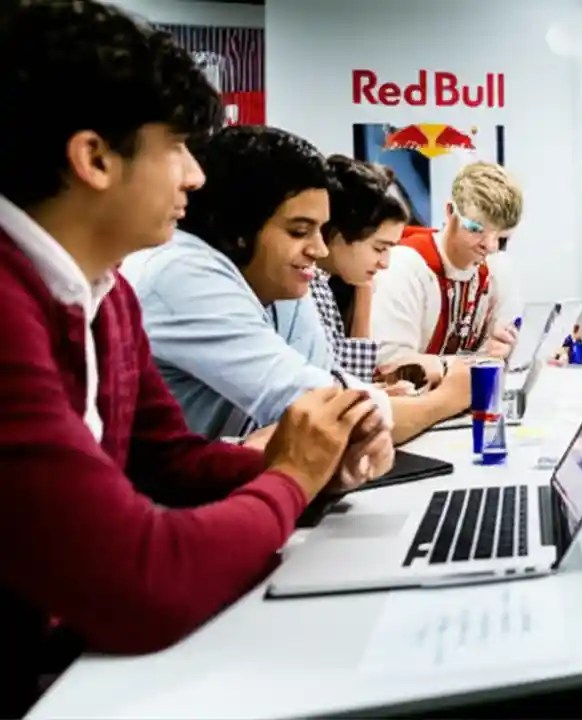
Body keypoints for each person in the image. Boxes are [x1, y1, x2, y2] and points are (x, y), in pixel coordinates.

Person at [0, 2, 384, 713]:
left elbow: (167, 463)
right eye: (177, 146)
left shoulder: (103, 290)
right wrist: (292, 480)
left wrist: (311, 463)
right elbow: (139, 581)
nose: (195, 177)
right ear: (94, 158)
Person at [122, 125, 470, 445]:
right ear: (239, 229)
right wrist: (450, 398)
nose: (319, 250)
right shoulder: (184, 272)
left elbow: (329, 397)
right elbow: (335, 418)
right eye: (299, 231)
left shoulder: (279, 282)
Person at [370, 161, 524, 378]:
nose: (490, 246)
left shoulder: (498, 269)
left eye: (501, 237)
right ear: (450, 212)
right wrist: (477, 361)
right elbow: (392, 365)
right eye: (476, 229)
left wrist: (505, 351)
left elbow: (505, 356)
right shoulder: (404, 267)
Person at [312, 155, 407, 383]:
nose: (385, 263)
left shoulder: (331, 283)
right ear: (338, 234)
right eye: (379, 248)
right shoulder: (308, 285)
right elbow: (339, 397)